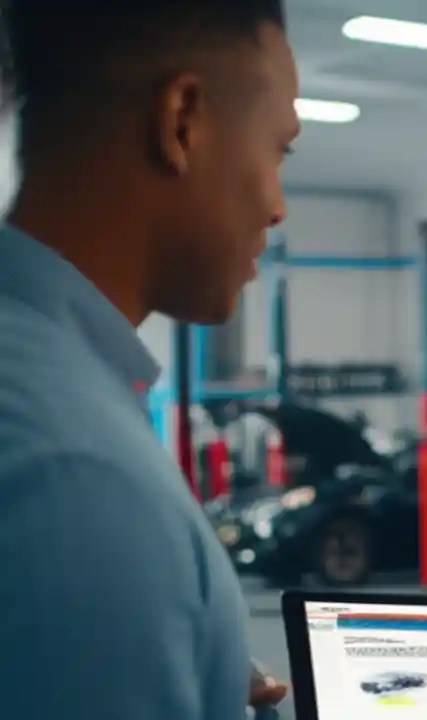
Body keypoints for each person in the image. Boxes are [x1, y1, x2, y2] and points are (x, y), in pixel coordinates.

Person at [0, 1, 299, 718]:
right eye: (278, 150)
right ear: (182, 122)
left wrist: (184, 667)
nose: (278, 204)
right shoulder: (76, 474)